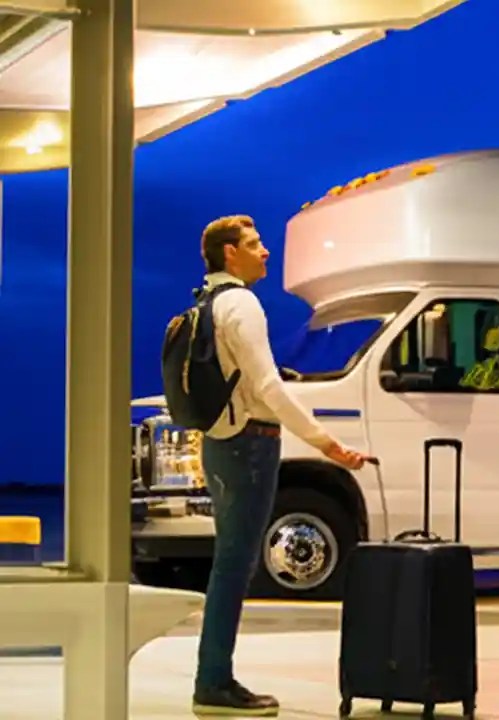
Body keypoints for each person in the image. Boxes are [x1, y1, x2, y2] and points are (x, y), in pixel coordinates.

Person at [191, 214, 367, 716]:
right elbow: (268, 387)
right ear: (230, 254)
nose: (265, 251)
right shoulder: (241, 304)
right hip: (249, 445)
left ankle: (213, 675)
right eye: (254, 243)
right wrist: (325, 443)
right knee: (235, 564)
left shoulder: (207, 301)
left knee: (230, 562)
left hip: (223, 441)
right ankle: (215, 680)